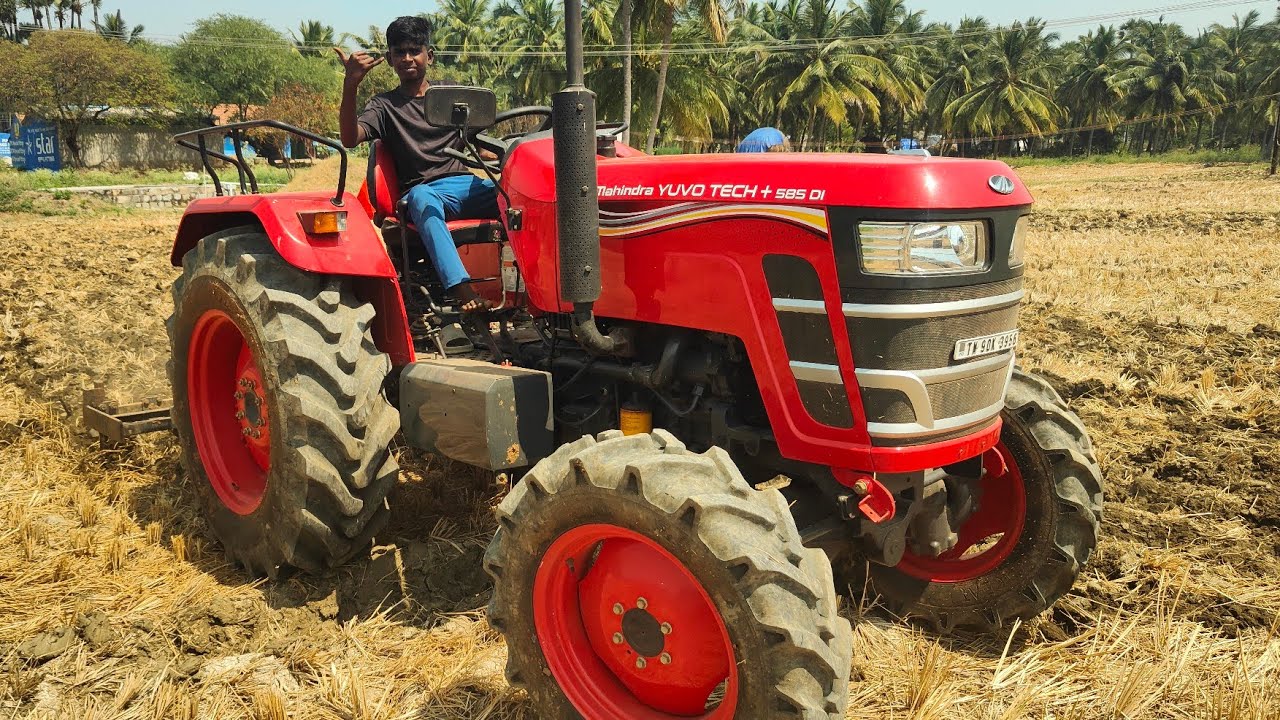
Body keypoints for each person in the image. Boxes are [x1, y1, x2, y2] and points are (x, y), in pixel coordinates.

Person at [336, 16, 496, 312]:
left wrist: (509, 157)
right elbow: (349, 138)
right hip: (423, 192)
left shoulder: (452, 98)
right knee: (423, 198)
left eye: (415, 50)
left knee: (520, 194)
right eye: (400, 52)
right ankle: (463, 291)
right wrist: (351, 85)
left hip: (466, 186)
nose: (408, 58)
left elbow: (480, 145)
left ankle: (535, 289)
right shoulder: (384, 106)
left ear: (429, 56)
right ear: (389, 59)